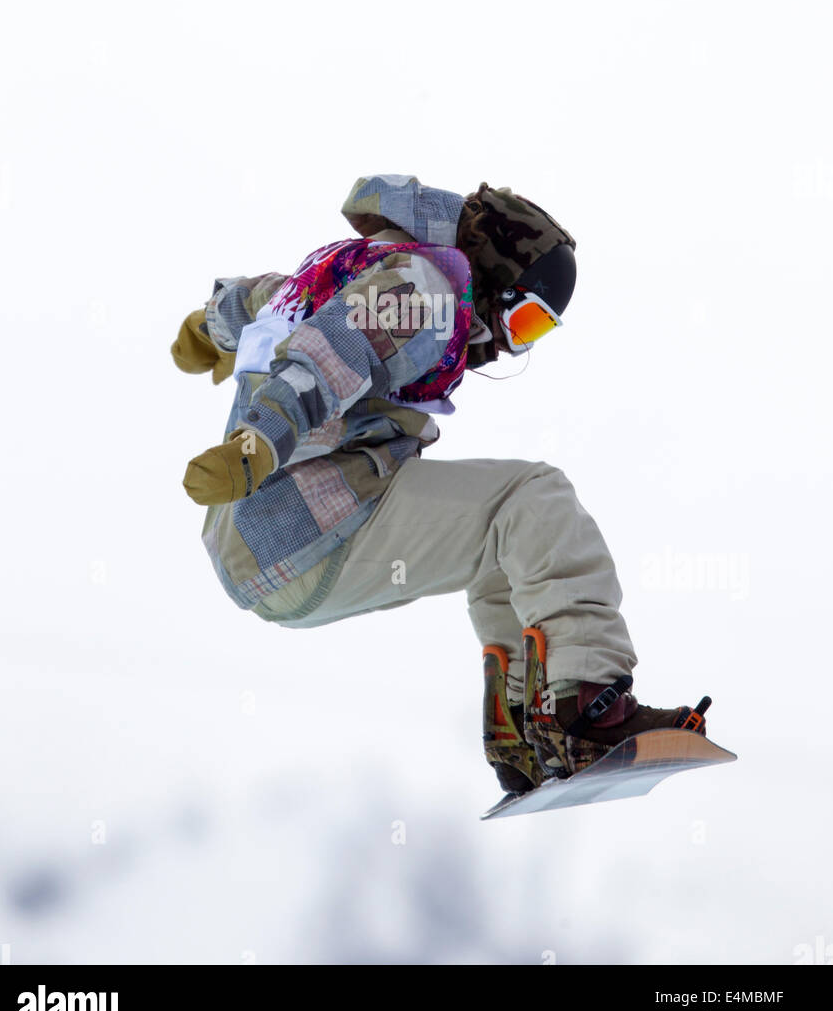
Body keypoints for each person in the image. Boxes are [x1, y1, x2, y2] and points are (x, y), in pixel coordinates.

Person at [172, 174, 708, 801]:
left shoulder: (365, 269)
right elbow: (329, 355)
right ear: (499, 278)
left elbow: (271, 298)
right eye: (525, 319)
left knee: (505, 542)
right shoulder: (424, 292)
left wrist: (211, 325)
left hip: (260, 543)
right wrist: (259, 442)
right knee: (534, 500)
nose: (512, 346)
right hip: (303, 524)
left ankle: (525, 734)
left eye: (536, 334)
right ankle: (586, 714)